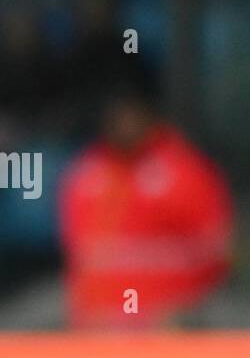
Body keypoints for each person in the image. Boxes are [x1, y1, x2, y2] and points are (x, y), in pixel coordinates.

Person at [59, 69, 234, 329]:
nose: (123, 121)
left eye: (130, 112)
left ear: (149, 114)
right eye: (115, 115)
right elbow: (78, 255)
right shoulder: (84, 174)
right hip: (95, 326)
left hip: (175, 324)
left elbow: (221, 253)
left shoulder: (186, 171)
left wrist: (181, 311)